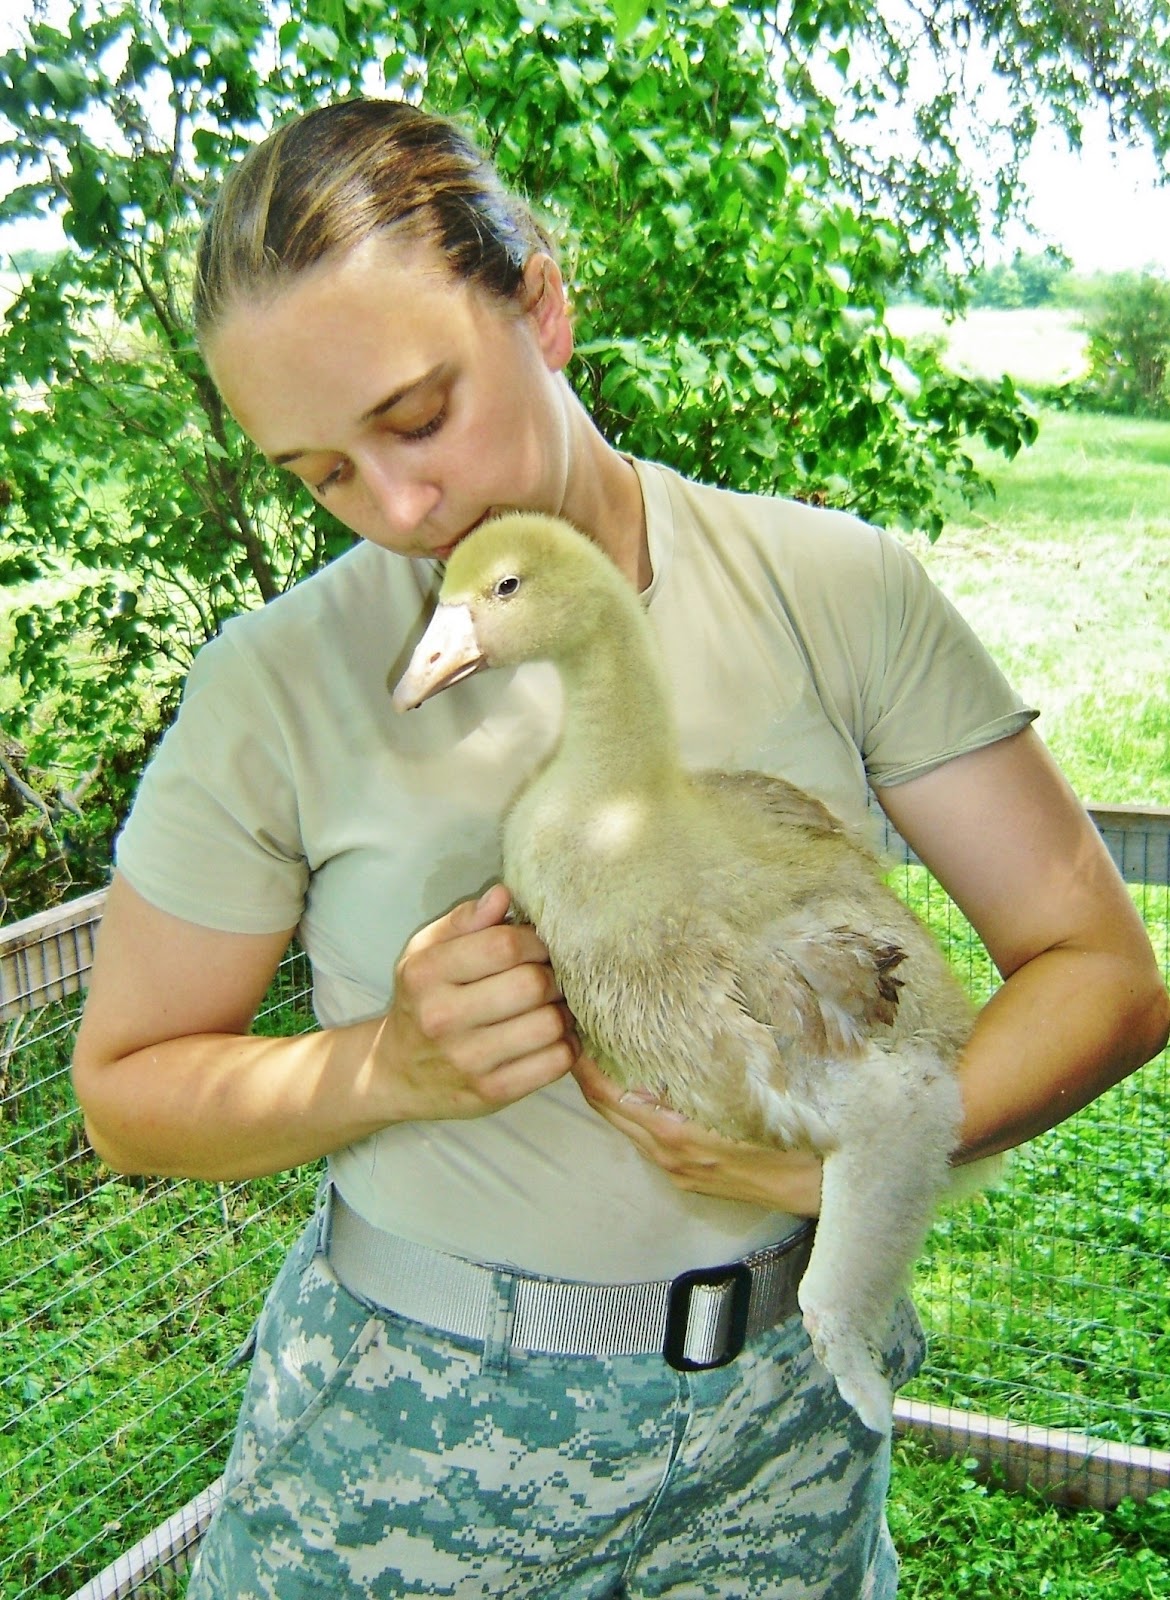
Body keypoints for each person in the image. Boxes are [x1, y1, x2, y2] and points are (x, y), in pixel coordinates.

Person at [72, 98, 1168, 1599]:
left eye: (416, 416)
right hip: (415, 1459)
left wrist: (860, 1169)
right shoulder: (273, 684)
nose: (396, 509)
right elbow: (127, 1100)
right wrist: (386, 1066)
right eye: (319, 471)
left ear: (540, 300)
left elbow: (1097, 967)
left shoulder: (832, 590)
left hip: (781, 1434)